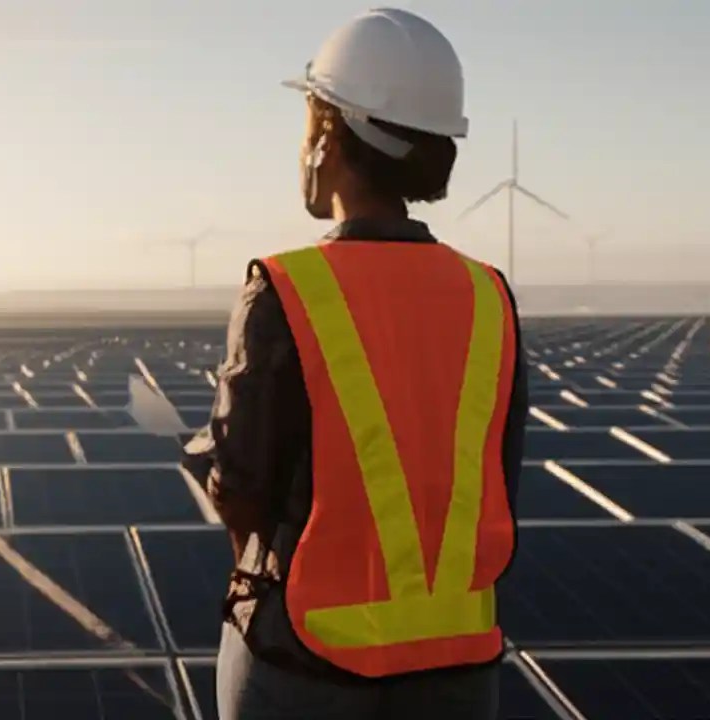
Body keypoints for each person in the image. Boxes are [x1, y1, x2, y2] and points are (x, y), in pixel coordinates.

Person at [180, 8, 529, 719]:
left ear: (328, 137)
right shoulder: (490, 295)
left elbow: (242, 488)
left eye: (308, 122)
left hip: (306, 661)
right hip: (460, 665)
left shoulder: (284, 288)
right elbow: (495, 478)